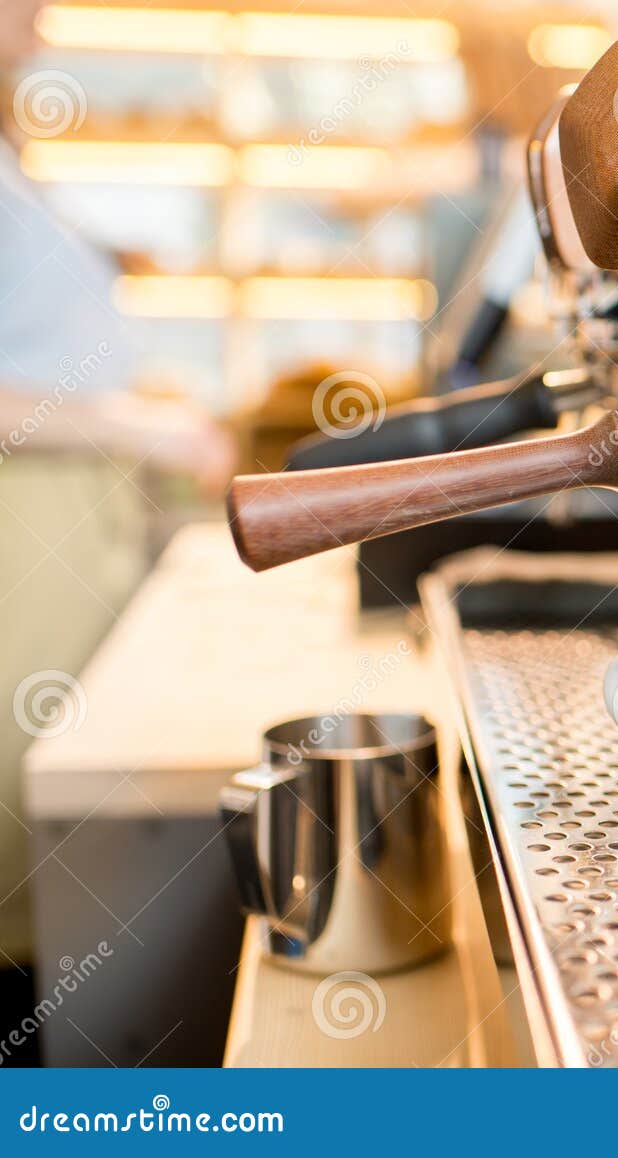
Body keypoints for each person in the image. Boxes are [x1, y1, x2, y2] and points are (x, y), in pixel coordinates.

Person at [0, 0, 234, 971]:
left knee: (58, 803)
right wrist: (137, 424)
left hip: (64, 513)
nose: (43, 21)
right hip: (26, 529)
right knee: (27, 802)